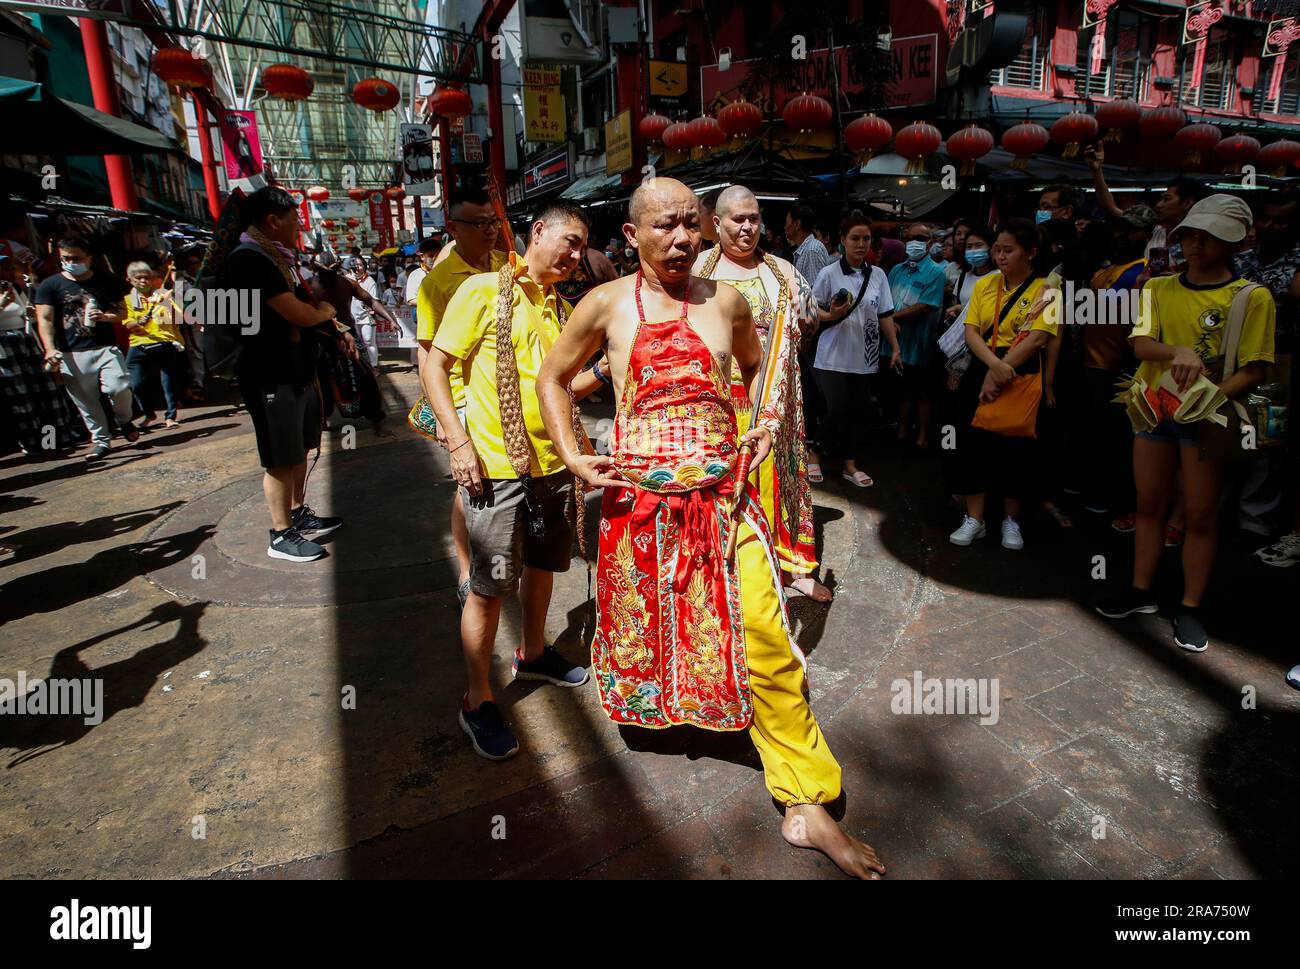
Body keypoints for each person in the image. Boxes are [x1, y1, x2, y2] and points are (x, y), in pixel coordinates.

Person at [535, 176, 886, 880]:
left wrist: (756, 426)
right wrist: (573, 453)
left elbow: (757, 371)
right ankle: (684, 713)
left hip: (725, 504)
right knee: (656, 628)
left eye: (690, 224)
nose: (681, 238)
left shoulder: (726, 302)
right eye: (664, 226)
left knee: (766, 636)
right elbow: (551, 376)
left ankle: (807, 800)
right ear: (632, 236)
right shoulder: (603, 304)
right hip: (641, 510)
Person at [425, 200, 596, 761]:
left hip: (552, 467)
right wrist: (458, 443)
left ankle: (533, 652)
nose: (575, 255)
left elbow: (559, 387)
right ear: (538, 231)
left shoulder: (558, 308)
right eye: (569, 240)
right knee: (489, 591)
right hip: (498, 472)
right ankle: (477, 700)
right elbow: (434, 364)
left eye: (582, 246)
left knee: (545, 570)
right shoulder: (480, 291)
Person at [1097, 195, 1275, 652]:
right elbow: (1140, 345)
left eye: (1208, 237)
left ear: (1232, 242)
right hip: (1152, 408)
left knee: (1199, 515)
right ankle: (1141, 591)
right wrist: (1178, 351)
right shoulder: (1159, 288)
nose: (1196, 245)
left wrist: (1210, 396)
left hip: (1207, 417)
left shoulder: (1251, 298)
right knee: (1148, 505)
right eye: (1191, 235)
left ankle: (1191, 606)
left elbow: (1255, 368)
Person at [693, 185, 831, 602]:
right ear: (716, 224)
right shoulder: (697, 270)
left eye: (754, 218)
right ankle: (720, 560)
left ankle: (791, 566)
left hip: (773, 399)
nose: (748, 227)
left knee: (779, 476)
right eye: (739, 219)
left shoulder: (782, 272)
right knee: (718, 480)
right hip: (714, 401)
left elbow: (811, 322)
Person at [221, 186, 349, 563]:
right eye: (295, 220)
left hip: (294, 370)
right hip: (269, 374)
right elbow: (300, 314)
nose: (299, 227)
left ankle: (296, 513)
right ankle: (280, 534)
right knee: (279, 457)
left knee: (298, 448)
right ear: (272, 221)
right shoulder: (251, 259)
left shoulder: (275, 256)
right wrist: (325, 312)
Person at [417, 186, 509, 606]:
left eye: (494, 221)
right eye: (479, 223)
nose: (490, 230)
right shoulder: (437, 283)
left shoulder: (508, 264)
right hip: (462, 399)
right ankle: (466, 569)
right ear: (453, 228)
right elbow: (427, 358)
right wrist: (448, 427)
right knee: (469, 487)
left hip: (501, 394)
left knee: (497, 484)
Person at [950, 219, 1058, 550]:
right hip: (985, 365)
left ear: (1031, 252)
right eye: (997, 249)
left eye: (1008, 250)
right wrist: (994, 366)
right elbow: (971, 331)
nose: (1000, 256)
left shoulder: (1048, 291)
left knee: (1017, 449)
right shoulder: (986, 286)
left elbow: (1039, 337)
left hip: (1022, 372)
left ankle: (1011, 521)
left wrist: (1003, 369)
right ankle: (975, 519)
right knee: (974, 445)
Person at [808, 213, 900, 488]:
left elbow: (885, 314)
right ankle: (814, 452)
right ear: (843, 240)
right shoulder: (829, 273)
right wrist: (832, 313)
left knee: (859, 412)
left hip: (865, 355)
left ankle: (850, 464)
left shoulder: (879, 276)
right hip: (832, 354)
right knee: (837, 408)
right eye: (855, 239)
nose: (861, 244)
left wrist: (894, 347)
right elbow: (811, 312)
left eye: (866, 239)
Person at [34, 234, 140, 460]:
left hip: (104, 347)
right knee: (86, 401)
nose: (71, 262)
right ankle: (101, 441)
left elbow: (122, 312)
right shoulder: (50, 285)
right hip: (70, 352)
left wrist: (105, 316)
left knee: (119, 386)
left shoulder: (106, 280)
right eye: (66, 258)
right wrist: (50, 348)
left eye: (76, 257)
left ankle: (123, 418)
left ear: (89, 258)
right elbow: (45, 319)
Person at [1078, 209, 1153, 523]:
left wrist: (1075, 302)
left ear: (1146, 235)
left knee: (1112, 436)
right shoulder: (1108, 269)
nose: (1122, 235)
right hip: (1089, 360)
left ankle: (1110, 496)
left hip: (1115, 364)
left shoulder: (1142, 271)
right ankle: (1091, 487)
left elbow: (1111, 311)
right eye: (1119, 229)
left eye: (1131, 230)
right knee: (1092, 432)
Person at [0, 253, 82, 456]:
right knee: (21, 396)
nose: (9, 271)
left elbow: (31, 317)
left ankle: (53, 440)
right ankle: (33, 443)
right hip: (5, 347)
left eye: (10, 267)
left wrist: (29, 314)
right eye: (4, 268)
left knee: (45, 391)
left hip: (26, 339)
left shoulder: (17, 287)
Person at [1088, 144, 1208, 264]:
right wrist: (1097, 170)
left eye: (1167, 199)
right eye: (1161, 199)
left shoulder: (1201, 240)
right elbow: (1111, 209)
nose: (1159, 205)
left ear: (1187, 203)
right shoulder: (1155, 230)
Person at [885, 223, 947, 451]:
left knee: (922, 392)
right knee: (903, 389)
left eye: (920, 237)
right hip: (897, 342)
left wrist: (891, 318)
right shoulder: (897, 270)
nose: (914, 242)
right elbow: (886, 300)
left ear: (930, 242)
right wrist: (889, 319)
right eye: (909, 237)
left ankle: (922, 438)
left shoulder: (936, 272)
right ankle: (901, 432)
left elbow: (926, 305)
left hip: (921, 342)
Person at [123, 261, 188, 429]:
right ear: (129, 279)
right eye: (138, 278)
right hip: (139, 344)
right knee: (135, 384)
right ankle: (148, 413)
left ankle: (170, 416)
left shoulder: (162, 295)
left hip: (164, 342)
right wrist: (139, 321)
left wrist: (166, 302)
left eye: (147, 278)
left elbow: (179, 318)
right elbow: (128, 324)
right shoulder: (128, 300)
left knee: (168, 382)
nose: (143, 281)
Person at [175, 247, 207, 401]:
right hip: (192, 321)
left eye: (196, 263)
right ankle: (198, 384)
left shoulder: (205, 277)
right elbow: (179, 303)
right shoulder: (181, 282)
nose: (194, 266)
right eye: (190, 263)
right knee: (196, 352)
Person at [786, 204, 834, 289]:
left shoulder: (812, 250)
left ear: (797, 224)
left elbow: (816, 293)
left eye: (787, 222)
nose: (785, 227)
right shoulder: (806, 249)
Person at [554, 243, 618, 304]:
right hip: (560, 311)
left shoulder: (598, 258)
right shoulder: (555, 257)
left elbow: (617, 288)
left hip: (592, 311)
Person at [403, 237, 442, 307]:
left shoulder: (446, 271)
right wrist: (436, 304)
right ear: (422, 256)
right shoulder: (416, 274)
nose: (435, 259)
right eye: (431, 256)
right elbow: (411, 300)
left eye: (438, 255)